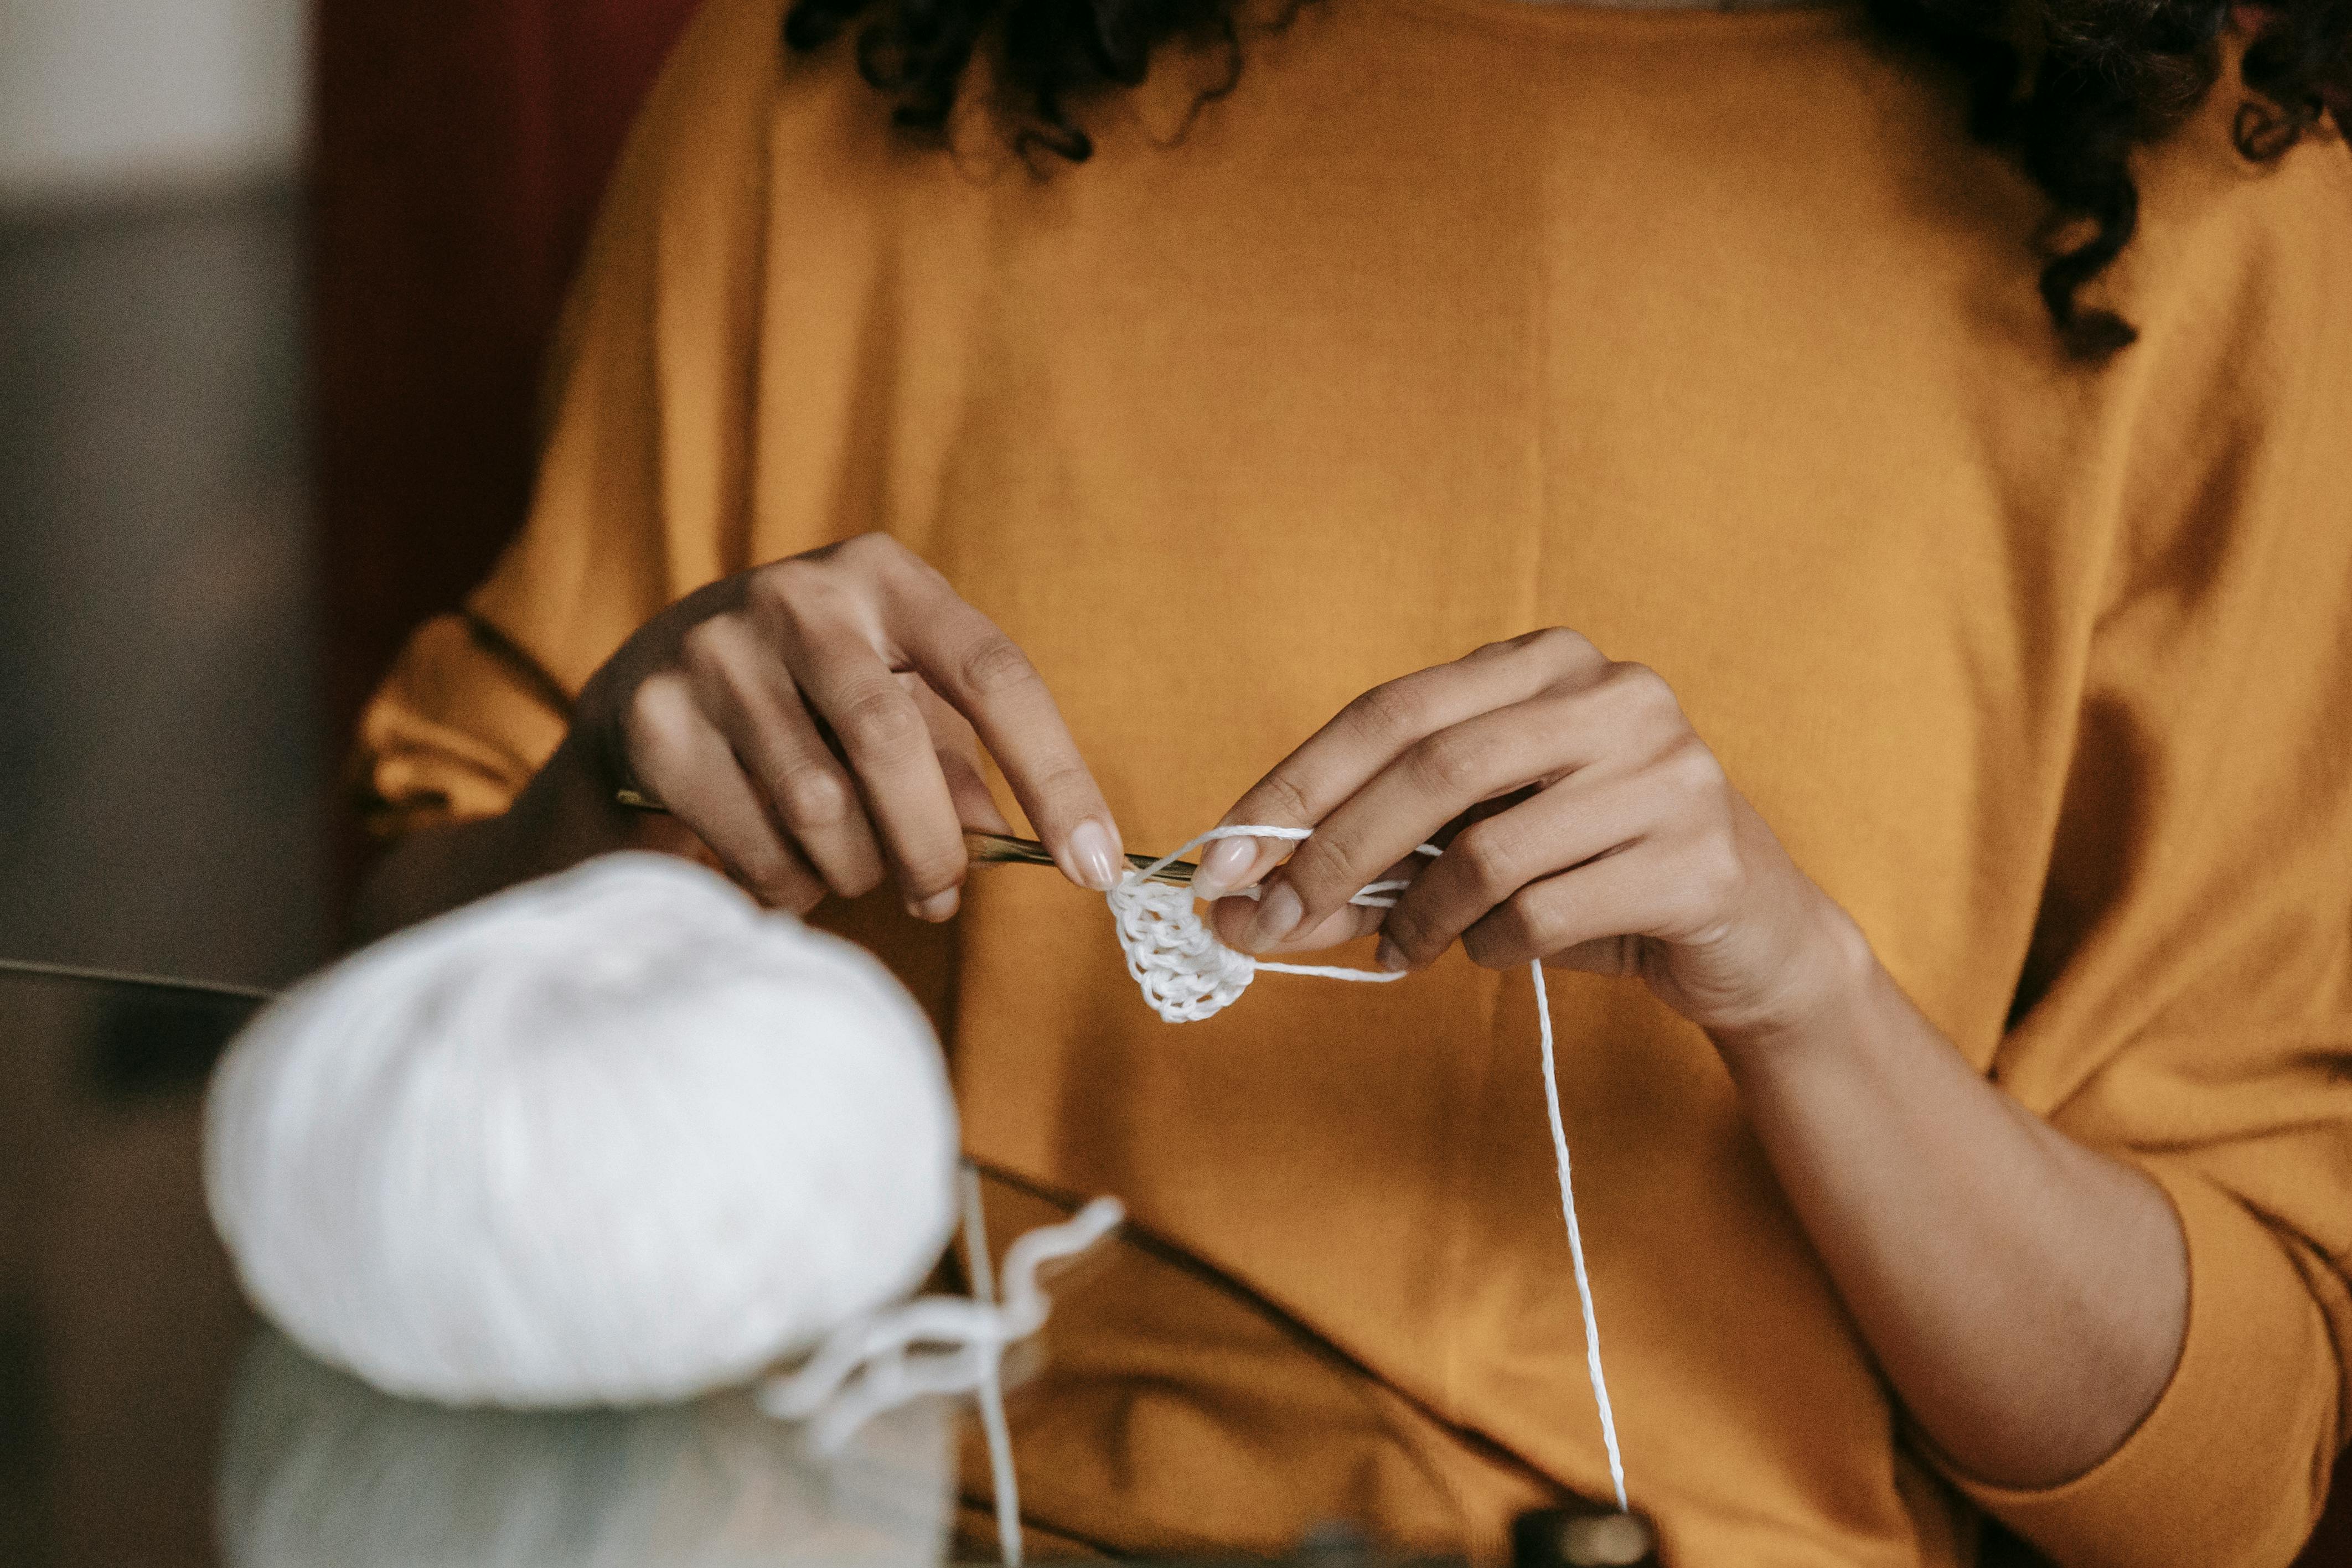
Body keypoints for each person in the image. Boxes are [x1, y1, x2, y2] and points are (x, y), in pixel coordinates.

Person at [349, 0, 2352, 1560]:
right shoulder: (843, 85)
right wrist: (611, 811)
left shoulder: (2227, 219)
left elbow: (2220, 1490)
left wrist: (1797, 987)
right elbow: (357, 1055)